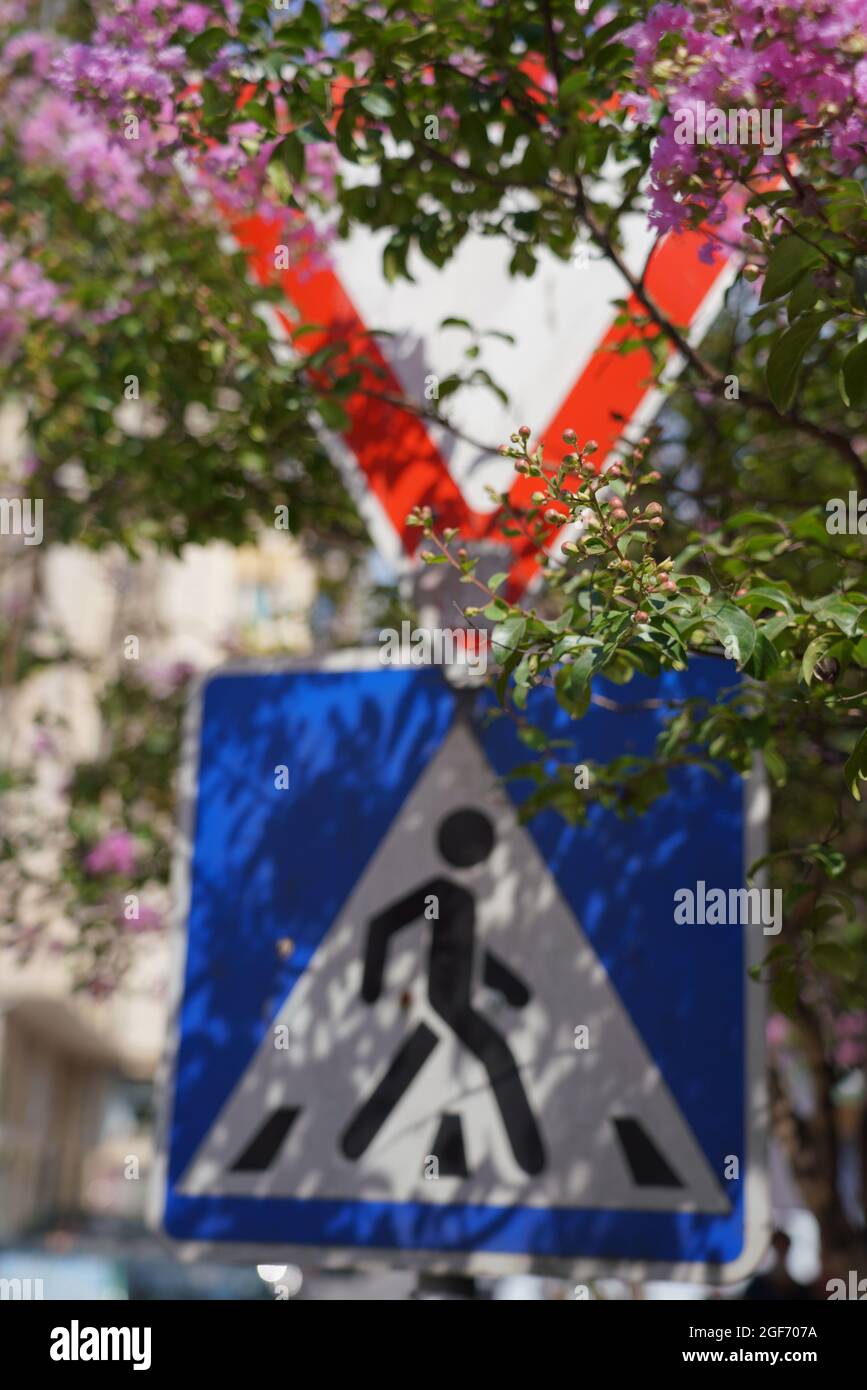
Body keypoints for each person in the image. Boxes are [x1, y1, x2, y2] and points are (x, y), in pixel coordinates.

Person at [340, 806, 545, 1175]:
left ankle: (355, 1142)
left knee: (415, 1063)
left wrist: (515, 990)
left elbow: (474, 956)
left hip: (453, 1000)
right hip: (445, 1000)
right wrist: (372, 986)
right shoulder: (441, 894)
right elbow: (382, 924)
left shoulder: (462, 897)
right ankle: (529, 1157)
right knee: (494, 1055)